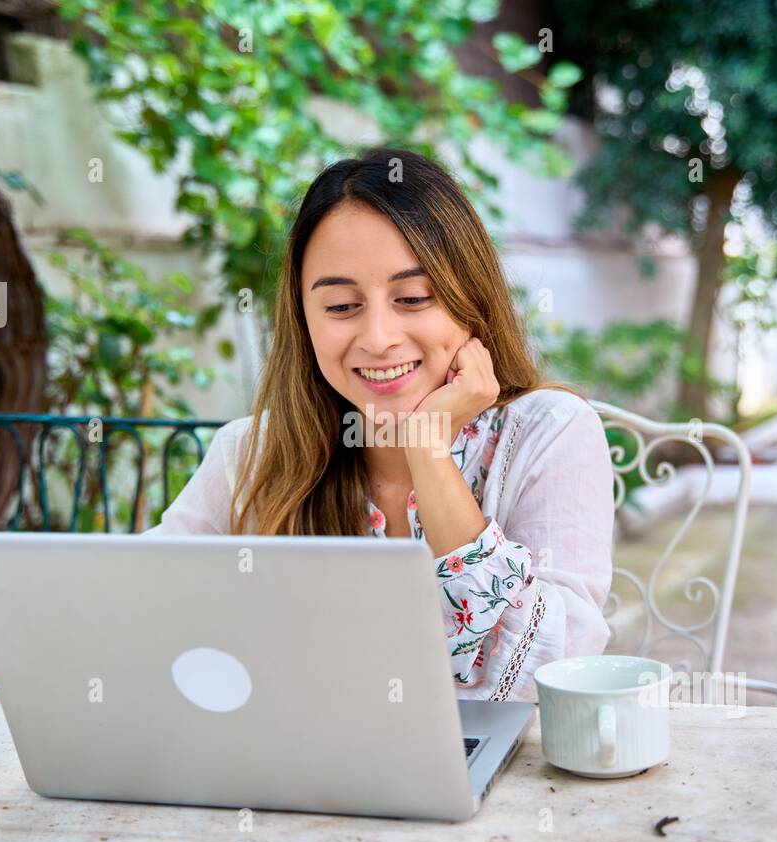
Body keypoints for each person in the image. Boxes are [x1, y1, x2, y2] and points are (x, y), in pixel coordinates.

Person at [146, 147, 614, 703]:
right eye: (341, 306)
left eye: (413, 297)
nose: (377, 337)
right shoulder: (249, 452)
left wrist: (428, 454)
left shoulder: (550, 434)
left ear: (471, 301)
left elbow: (550, 675)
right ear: (304, 320)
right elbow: (143, 611)